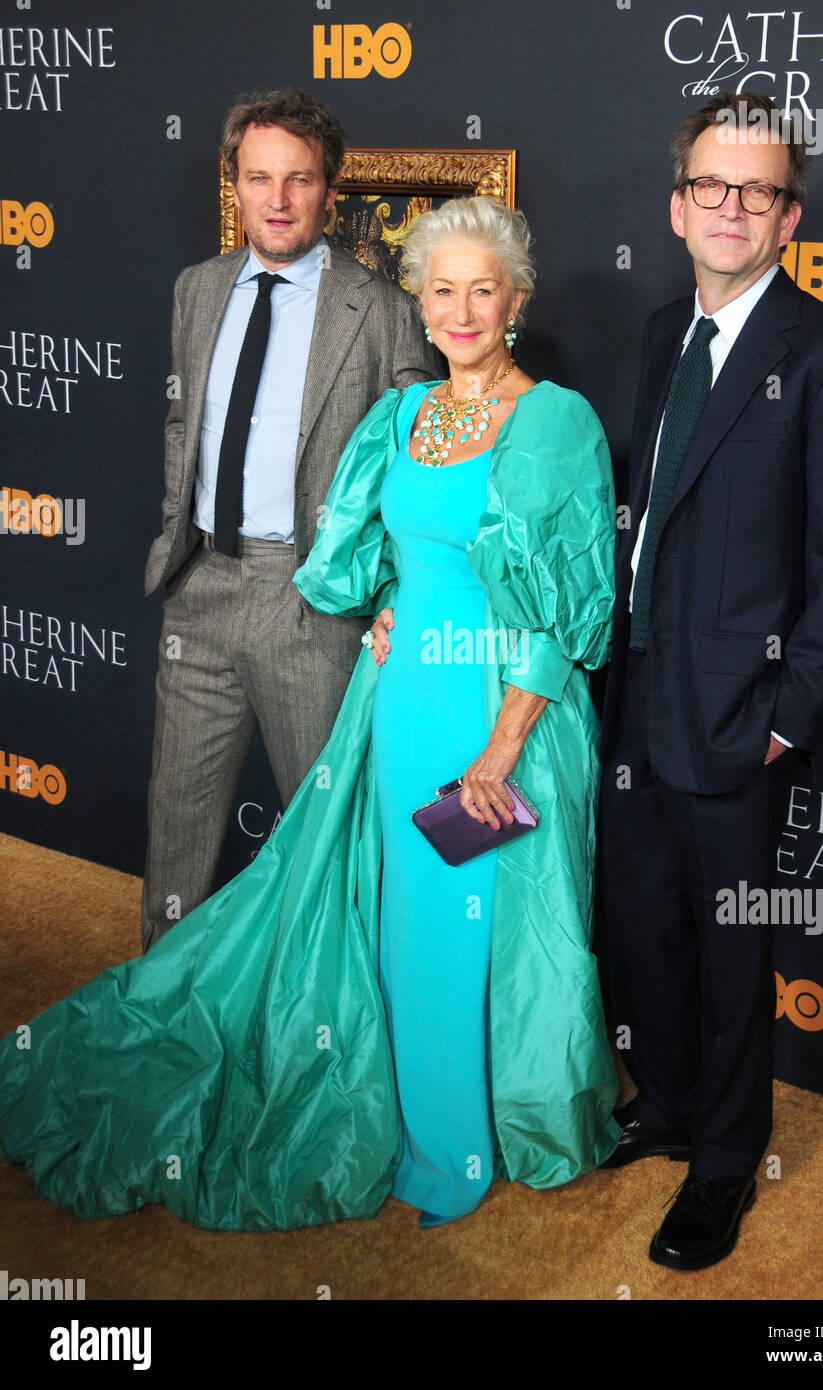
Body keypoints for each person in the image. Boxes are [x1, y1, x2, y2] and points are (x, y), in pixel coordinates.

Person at [0, 197, 619, 1231]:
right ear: (419, 303)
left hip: (503, 708)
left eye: (483, 289)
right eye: (442, 289)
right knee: (403, 911)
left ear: (516, 302)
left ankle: (474, 1126)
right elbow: (360, 558)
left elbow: (566, 604)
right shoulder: (403, 415)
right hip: (399, 699)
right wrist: (386, 608)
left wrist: (502, 749)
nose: (461, 309)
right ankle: (405, 1102)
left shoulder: (556, 420)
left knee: (484, 923)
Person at [599, 93, 823, 1270]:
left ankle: (725, 1164)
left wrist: (789, 718)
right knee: (639, 926)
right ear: (677, 206)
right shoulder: (663, 328)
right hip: (632, 692)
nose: (732, 208)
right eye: (711, 187)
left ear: (790, 217)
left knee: (730, 950)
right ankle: (666, 1103)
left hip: (740, 716)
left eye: (757, 191)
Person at [141, 87, 439, 952]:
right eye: (259, 178)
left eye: (298, 181)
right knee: (177, 828)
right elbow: (180, 424)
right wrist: (177, 534)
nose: (276, 199)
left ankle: (323, 1042)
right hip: (200, 587)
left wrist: (385, 589)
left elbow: (410, 469)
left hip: (309, 604)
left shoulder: (382, 312)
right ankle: (162, 1016)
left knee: (326, 837)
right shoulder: (197, 290)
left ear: (329, 191)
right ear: (234, 182)